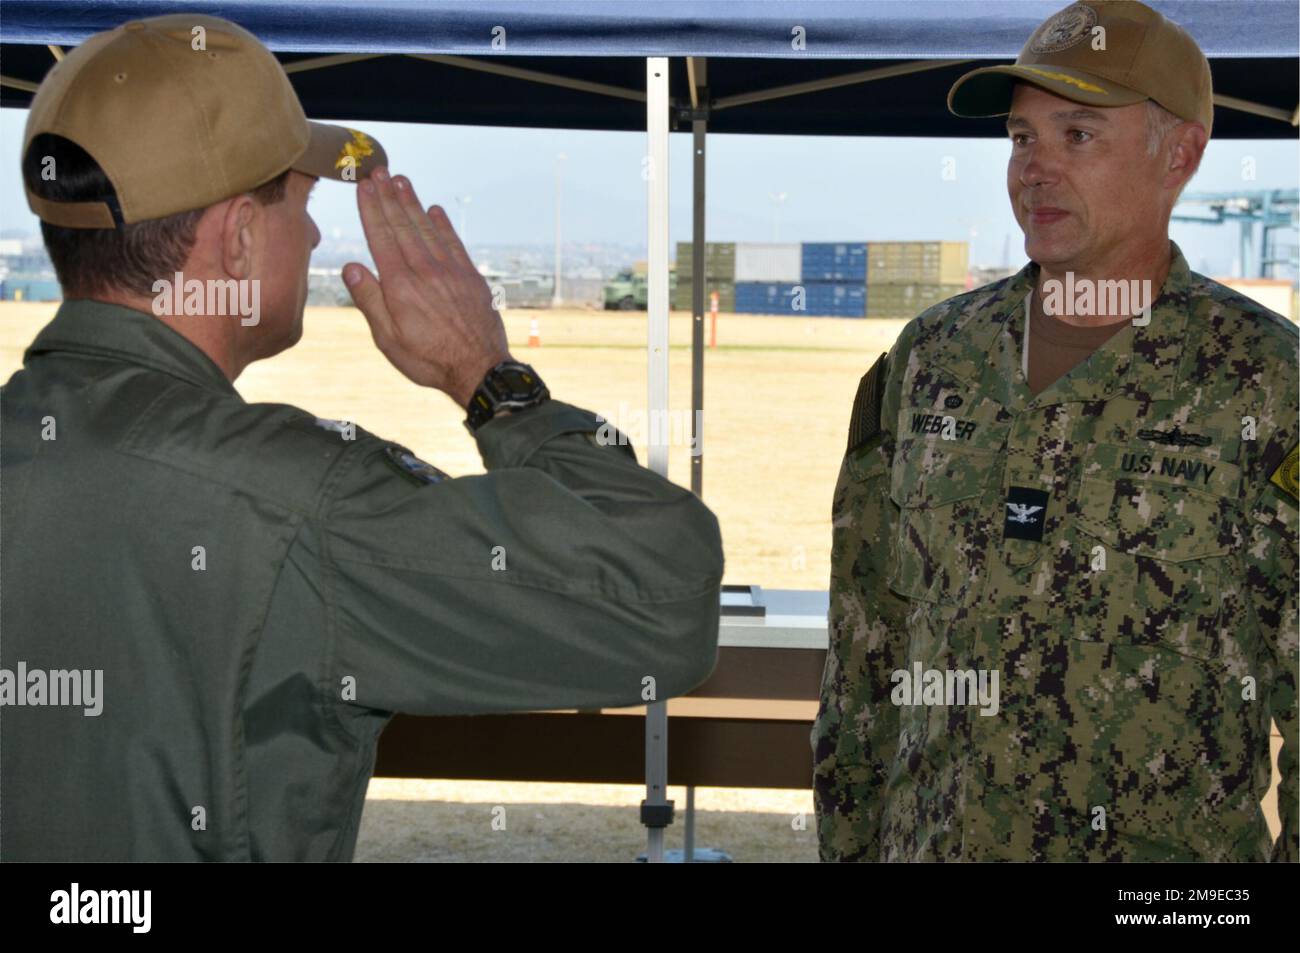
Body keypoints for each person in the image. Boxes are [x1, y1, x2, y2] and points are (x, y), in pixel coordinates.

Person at [0, 13, 724, 862]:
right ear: (236, 239)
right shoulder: (297, 504)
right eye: (300, 204)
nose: (311, 237)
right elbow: (664, 599)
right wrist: (490, 378)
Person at [812, 0, 1297, 862]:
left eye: (1077, 136)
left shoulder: (1264, 380)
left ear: (1178, 154)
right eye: (1021, 138)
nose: (1034, 169)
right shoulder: (934, 356)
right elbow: (865, 644)